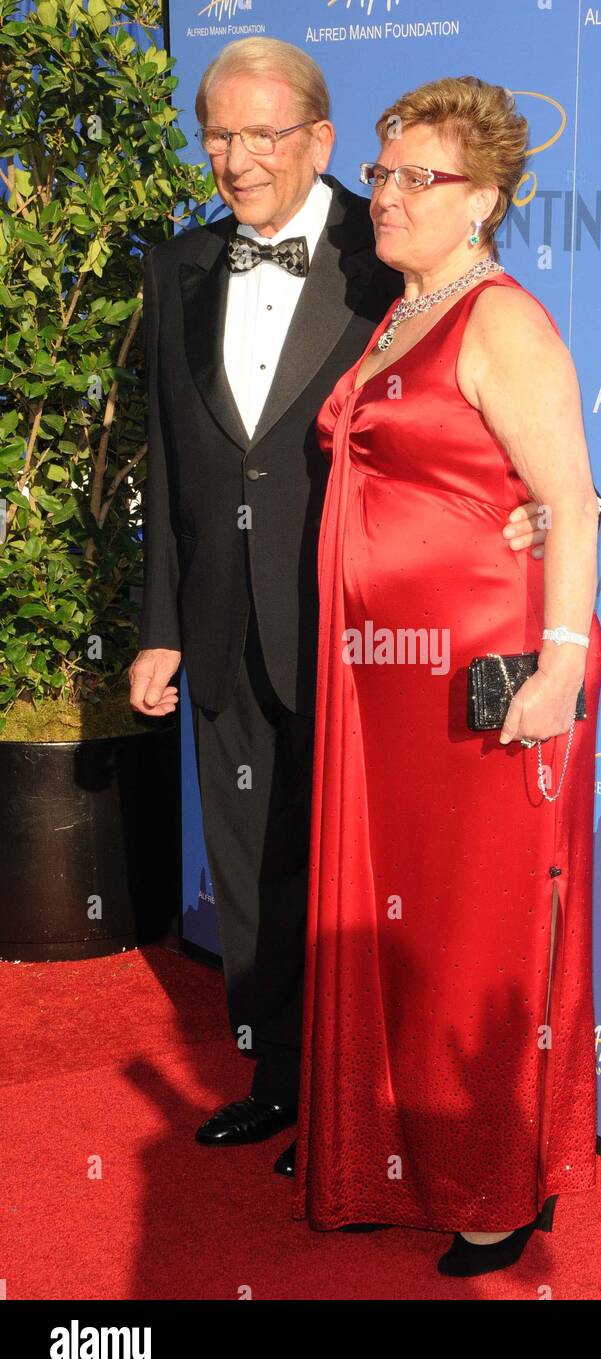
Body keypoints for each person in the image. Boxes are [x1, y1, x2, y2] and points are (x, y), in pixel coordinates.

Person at [128, 40, 548, 1158]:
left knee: (371, 877)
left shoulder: (399, 245)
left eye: (263, 134)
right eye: (216, 133)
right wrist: (161, 627)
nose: (234, 158)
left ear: (321, 141)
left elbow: (501, 409)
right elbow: (174, 461)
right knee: (250, 864)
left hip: (368, 631)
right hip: (222, 620)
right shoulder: (175, 269)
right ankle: (278, 1074)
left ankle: (380, 1102)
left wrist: (543, 511)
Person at [290, 75, 601, 1278]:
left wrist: (559, 667)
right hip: (388, 684)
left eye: (421, 177)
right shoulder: (402, 309)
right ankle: (400, 1151)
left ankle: (495, 1187)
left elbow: (567, 501)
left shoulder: (504, 320)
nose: (388, 195)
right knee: (398, 922)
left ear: (487, 201)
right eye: (381, 172)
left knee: (478, 934)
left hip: (491, 673)